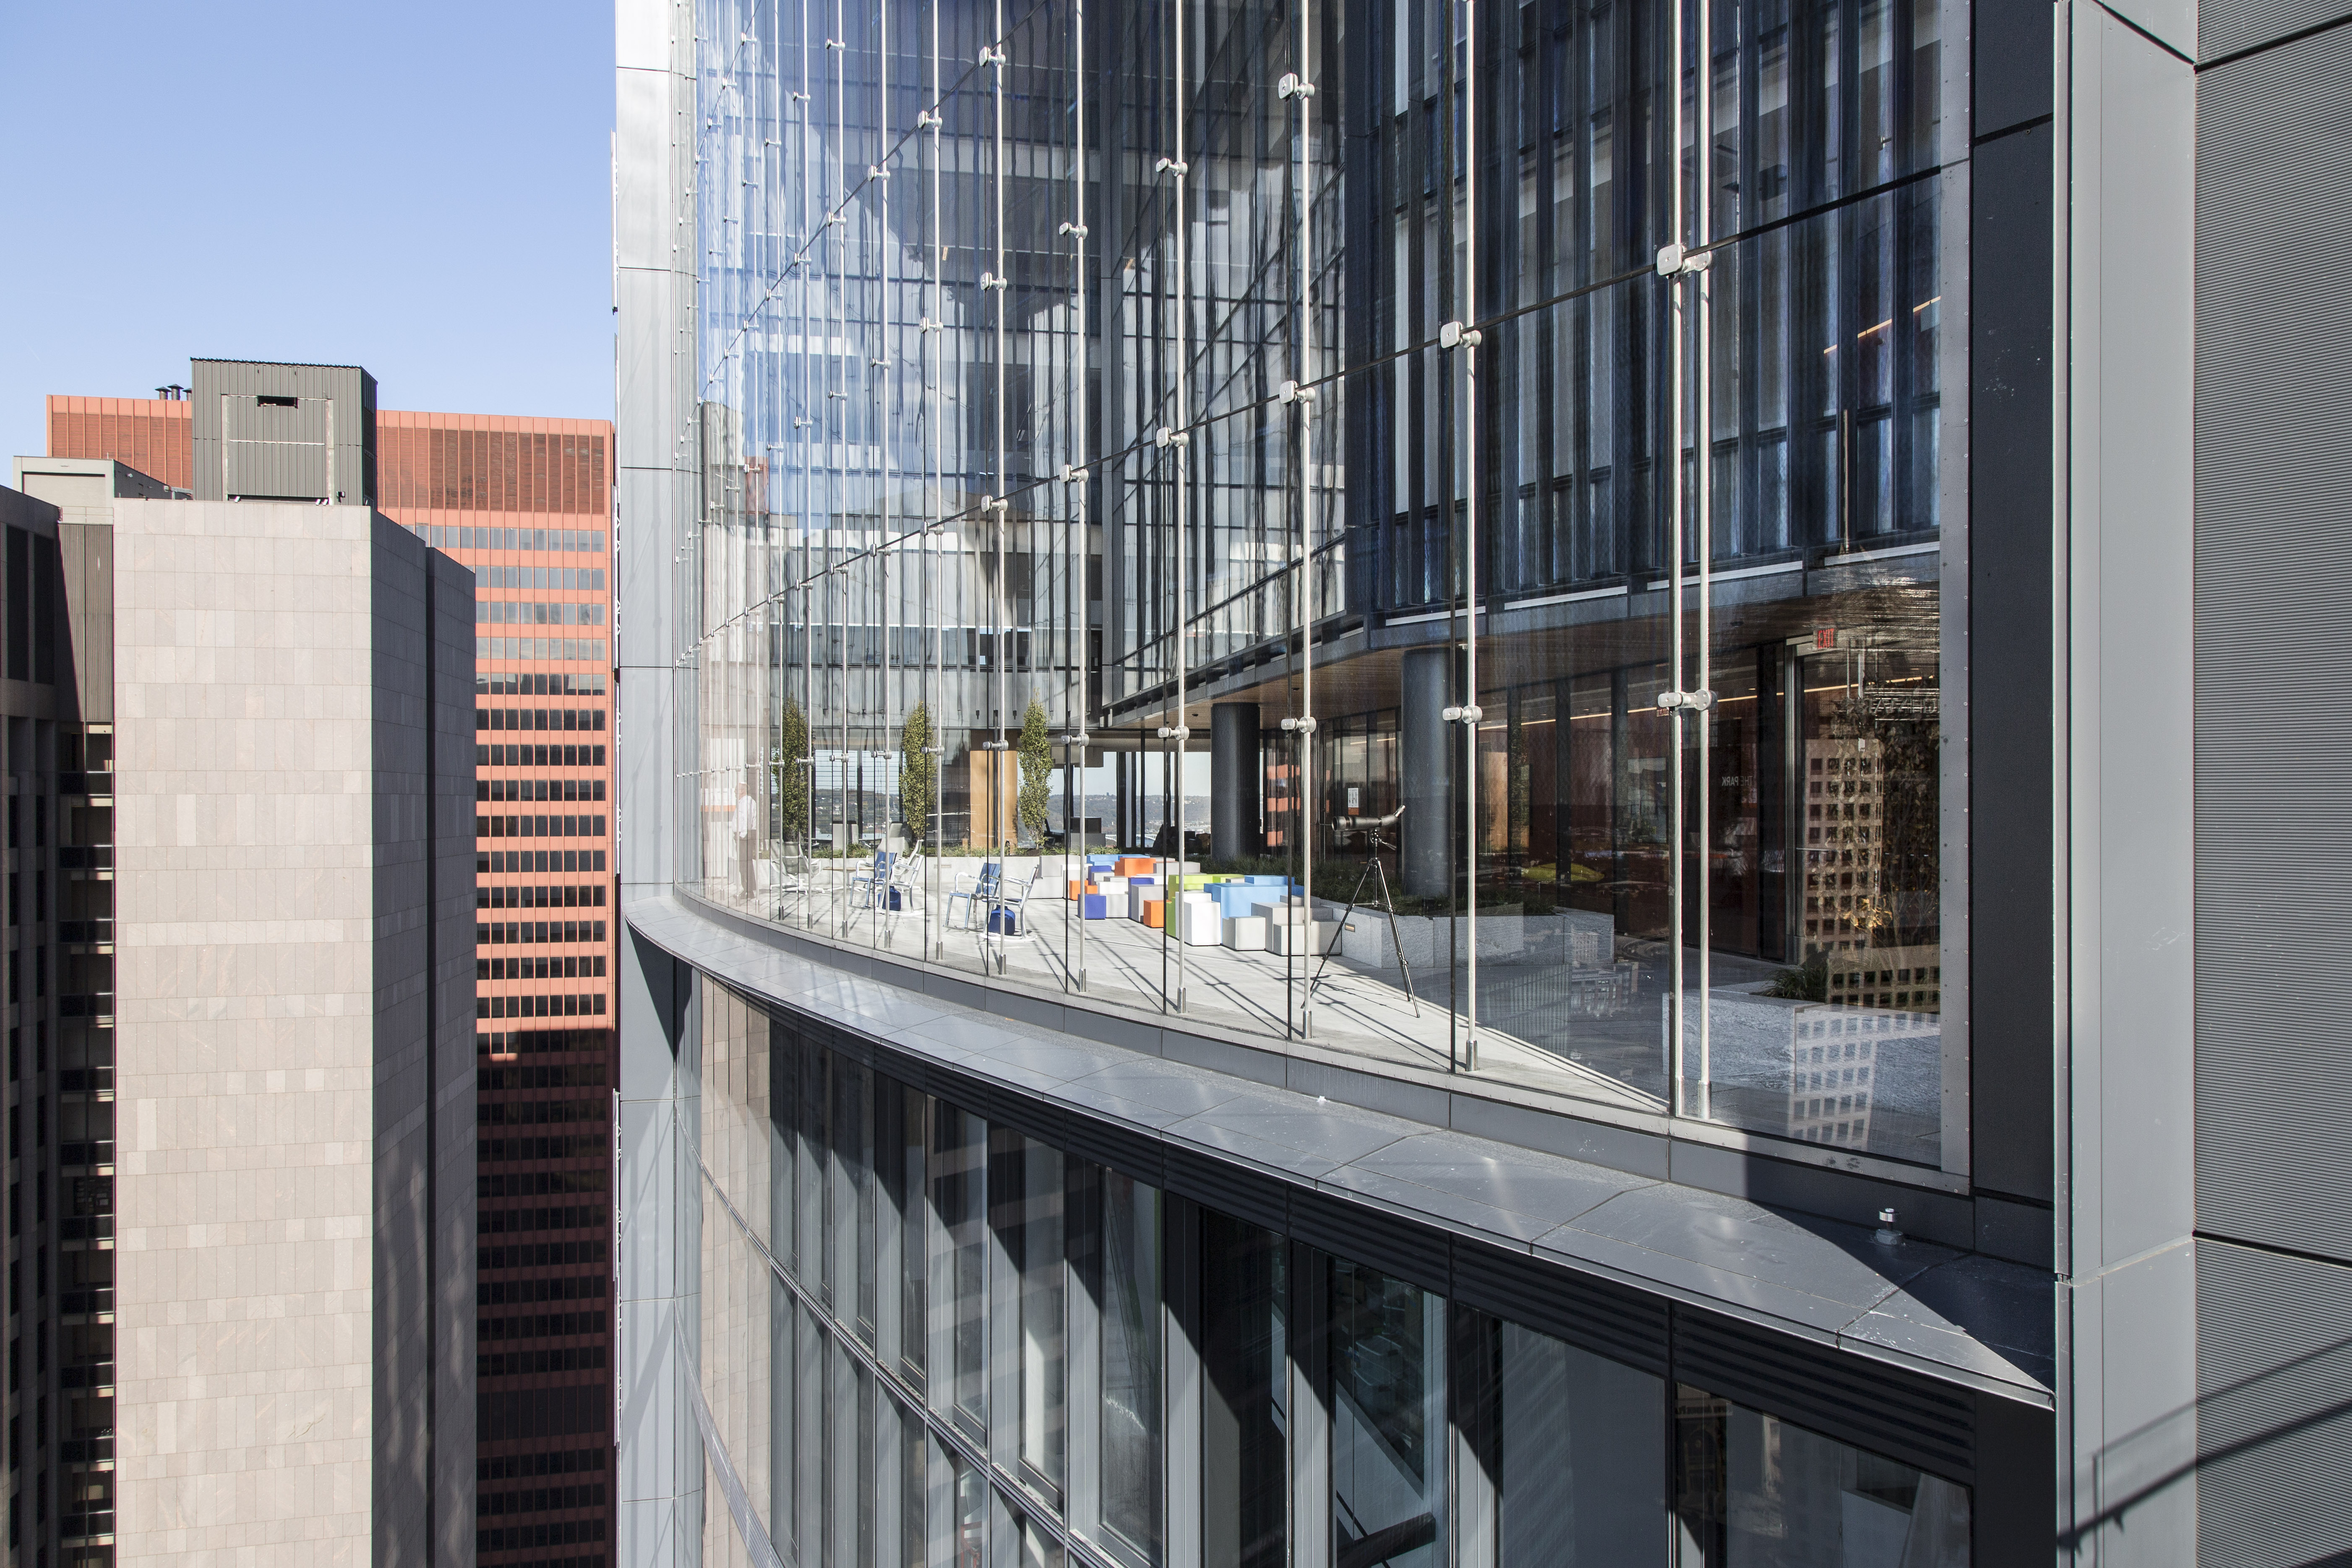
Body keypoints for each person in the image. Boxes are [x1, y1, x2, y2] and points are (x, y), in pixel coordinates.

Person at [733, 781, 759, 902]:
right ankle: (748, 889)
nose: (735, 792)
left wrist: (742, 835)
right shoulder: (744, 802)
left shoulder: (747, 803)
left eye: (737, 790)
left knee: (744, 863)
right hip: (744, 836)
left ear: (742, 791)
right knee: (744, 864)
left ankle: (748, 890)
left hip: (745, 836)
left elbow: (746, 820)